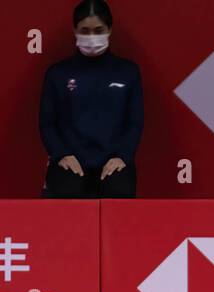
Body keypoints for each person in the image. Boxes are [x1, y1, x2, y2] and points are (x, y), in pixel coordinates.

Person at [39, 0, 143, 199]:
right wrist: (61, 154)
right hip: (70, 161)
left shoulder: (128, 72)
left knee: (118, 189)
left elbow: (134, 122)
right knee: (67, 189)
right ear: (75, 30)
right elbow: (47, 123)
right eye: (85, 30)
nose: (92, 37)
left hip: (113, 162)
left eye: (98, 30)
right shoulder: (57, 74)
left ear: (110, 29)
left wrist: (123, 156)